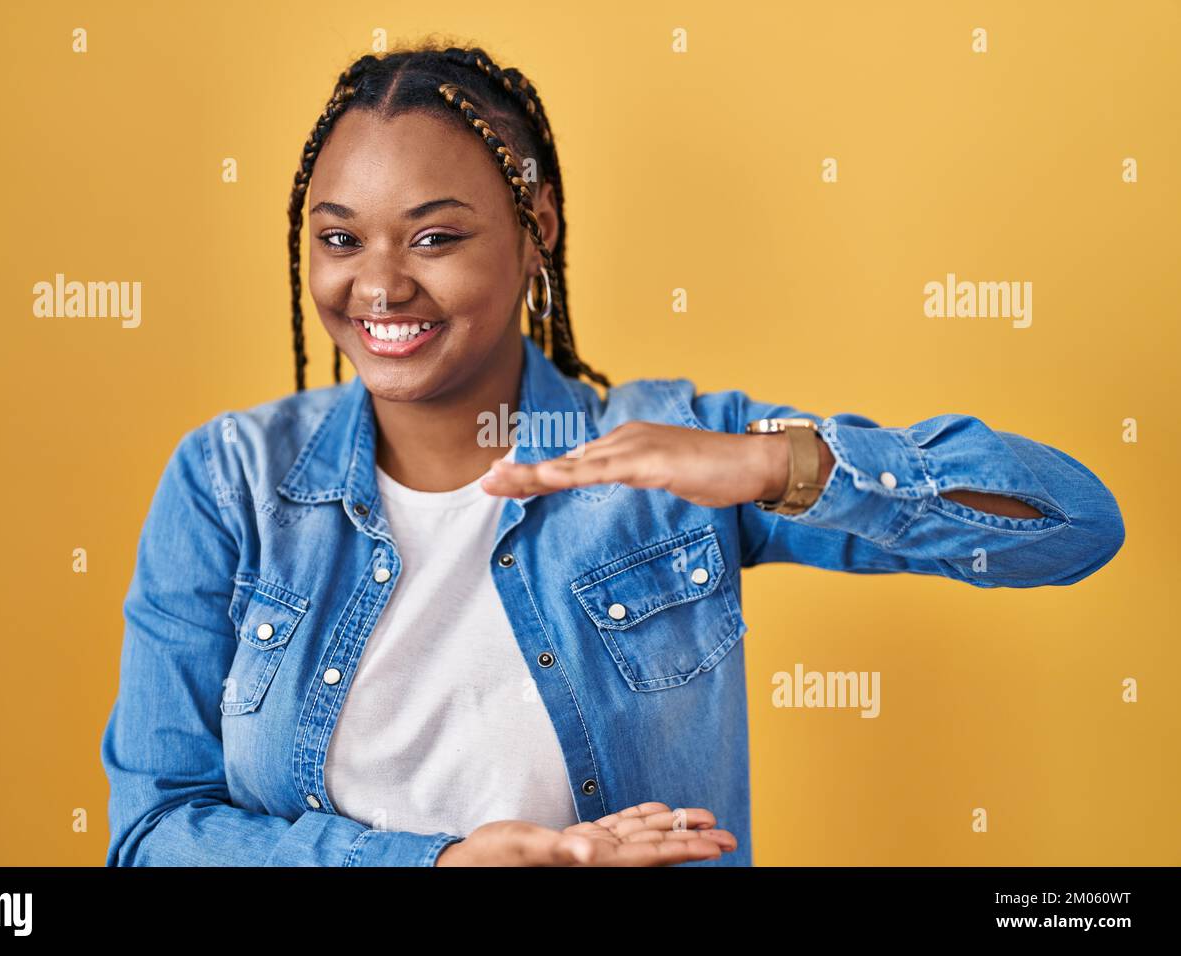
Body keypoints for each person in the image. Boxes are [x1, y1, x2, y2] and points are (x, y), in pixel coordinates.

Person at [100, 43, 1126, 867]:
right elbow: (151, 833)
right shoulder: (228, 480)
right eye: (338, 240)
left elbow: (1073, 526)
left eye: (432, 237)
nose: (378, 286)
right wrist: (436, 859)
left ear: (533, 226)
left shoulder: (675, 460)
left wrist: (781, 467)